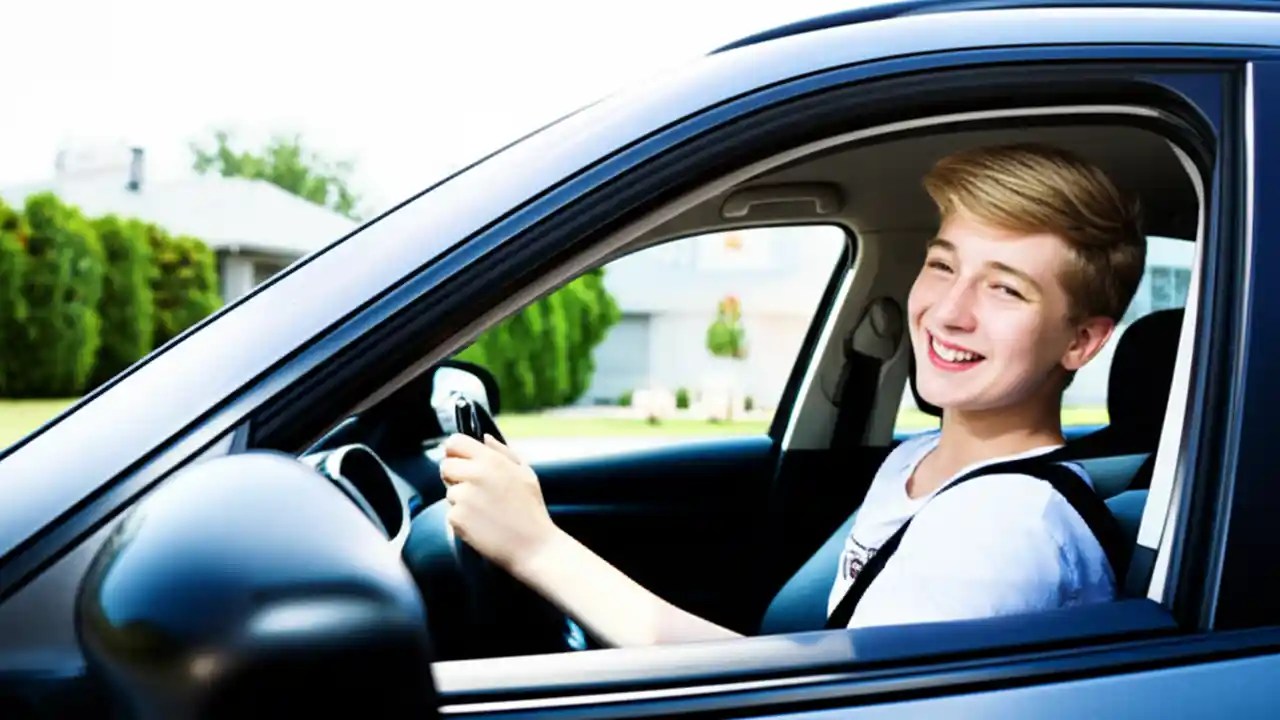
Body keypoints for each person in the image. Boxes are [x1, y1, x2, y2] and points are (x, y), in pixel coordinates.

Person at [438, 142, 1146, 646]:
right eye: (942, 265)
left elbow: (830, 709)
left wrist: (535, 549)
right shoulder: (922, 461)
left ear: (1081, 341)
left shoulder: (1003, 530)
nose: (949, 310)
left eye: (1005, 288)